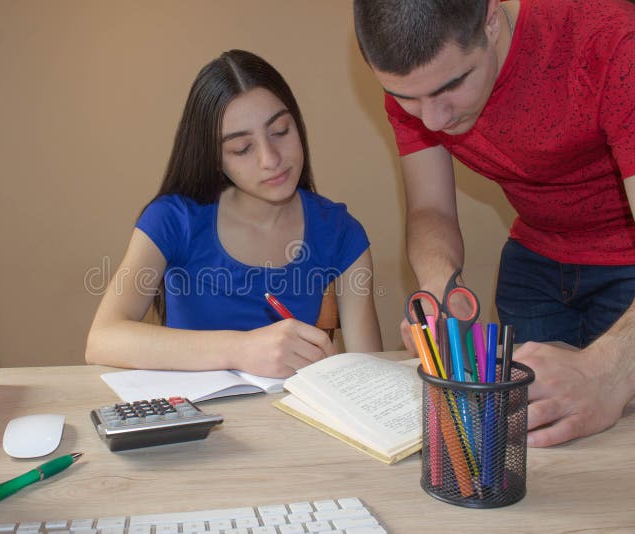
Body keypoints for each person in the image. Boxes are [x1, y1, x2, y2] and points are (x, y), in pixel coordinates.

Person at [353, 0, 635, 446]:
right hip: (534, 265)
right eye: (405, 98)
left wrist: (608, 369)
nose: (432, 120)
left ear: (491, 19)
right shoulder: (420, 79)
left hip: (627, 266)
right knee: (534, 449)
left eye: (451, 86)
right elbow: (431, 210)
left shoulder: (614, 42)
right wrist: (443, 287)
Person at [85, 49, 383, 378]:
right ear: (216, 158)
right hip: (194, 422)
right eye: (242, 148)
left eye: (281, 131)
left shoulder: (340, 231)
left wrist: (341, 373)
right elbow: (102, 339)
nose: (270, 159)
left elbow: (368, 376)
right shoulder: (174, 219)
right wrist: (240, 350)